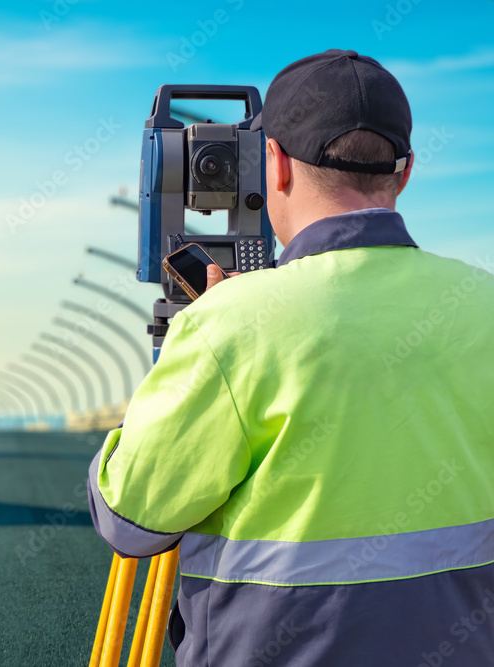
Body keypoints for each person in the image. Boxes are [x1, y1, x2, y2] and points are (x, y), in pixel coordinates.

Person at [88, 49, 494, 666]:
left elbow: (132, 518)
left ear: (271, 163)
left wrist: (201, 343)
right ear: (405, 171)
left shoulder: (226, 325)